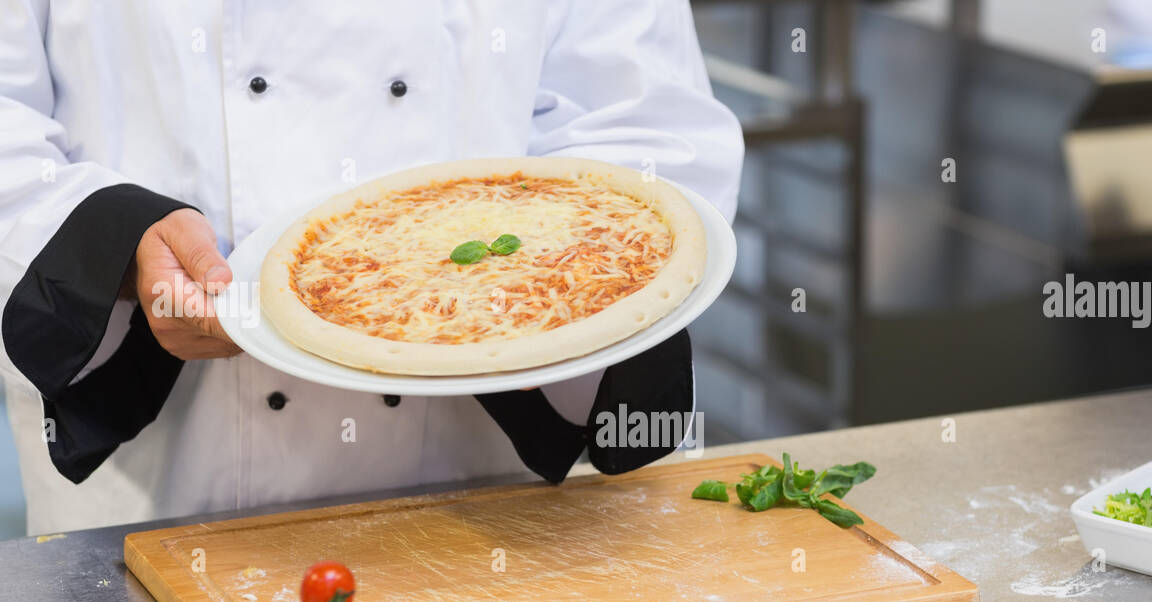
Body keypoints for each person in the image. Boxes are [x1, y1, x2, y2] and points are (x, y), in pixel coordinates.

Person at [0, 0, 743, 535]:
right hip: (164, 496)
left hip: (482, 506)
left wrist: (536, 292)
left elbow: (649, 121)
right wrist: (115, 246)